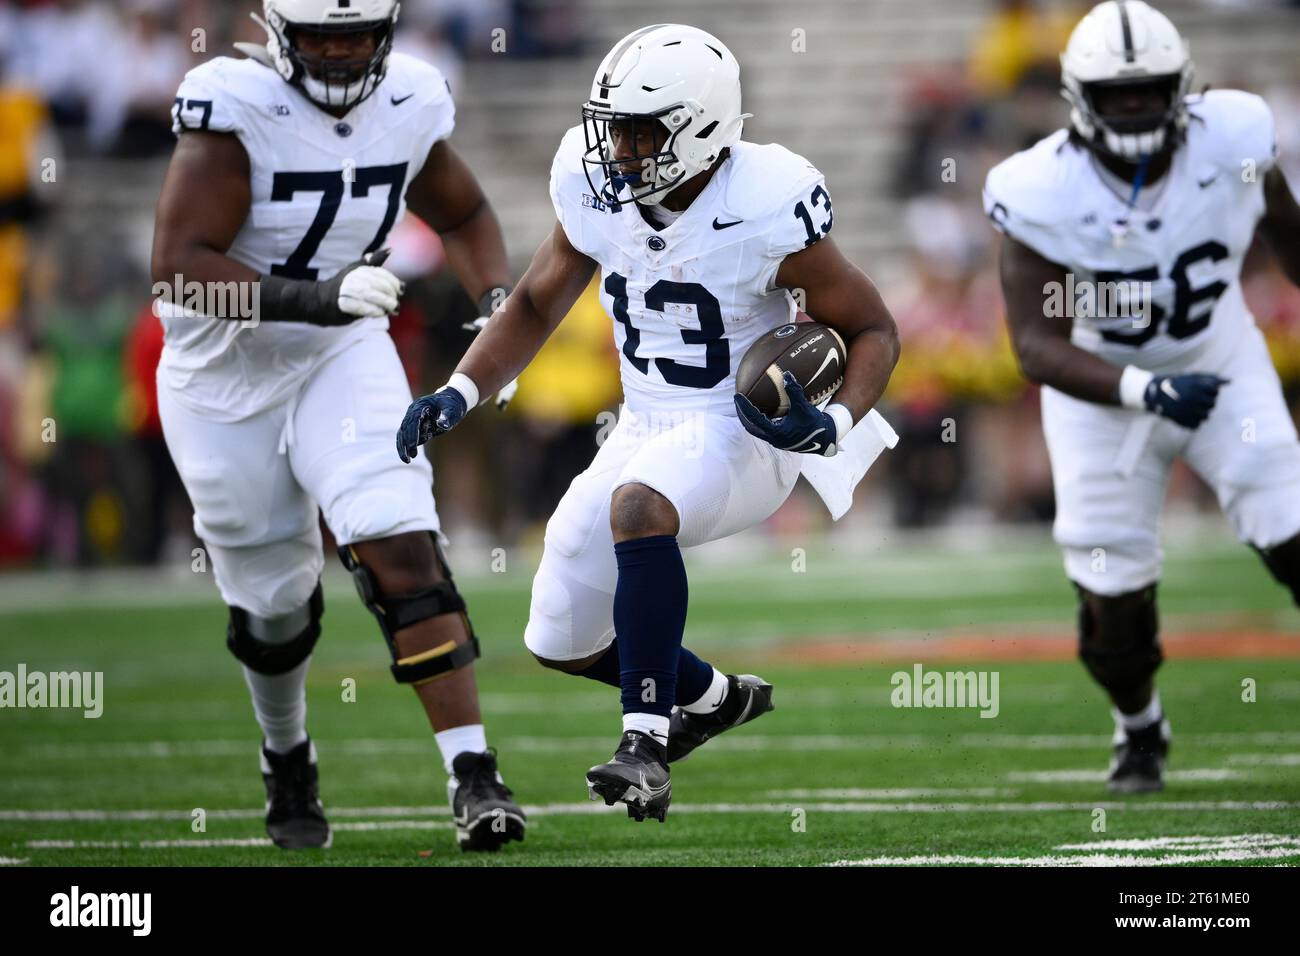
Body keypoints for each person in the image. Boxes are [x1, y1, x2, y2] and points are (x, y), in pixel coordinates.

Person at [398, 24, 900, 822]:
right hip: (645, 424)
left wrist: (834, 421)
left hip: (745, 431)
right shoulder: (596, 187)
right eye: (614, 127)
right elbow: (533, 301)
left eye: (641, 131)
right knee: (559, 635)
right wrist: (459, 390)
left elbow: (874, 328)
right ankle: (711, 697)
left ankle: (645, 746)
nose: (619, 149)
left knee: (638, 507)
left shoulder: (763, 203)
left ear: (701, 129)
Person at [150, 0, 524, 850]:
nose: (346, 52)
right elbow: (175, 271)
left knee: (400, 537)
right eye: (324, 36)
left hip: (338, 352)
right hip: (221, 375)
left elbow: (464, 214)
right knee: (273, 602)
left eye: (360, 34)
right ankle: (287, 753)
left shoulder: (409, 101)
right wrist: (317, 296)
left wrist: (497, 304)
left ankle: (474, 773)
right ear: (280, 33)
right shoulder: (234, 105)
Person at [985, 0, 1300, 792]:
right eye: (1115, 94)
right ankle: (1140, 727)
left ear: (1182, 88)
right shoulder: (1039, 187)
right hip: (1102, 389)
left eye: (1148, 90)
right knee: (1113, 606)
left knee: (1292, 523)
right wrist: (1144, 388)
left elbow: (1290, 239)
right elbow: (1033, 344)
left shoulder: (1233, 136)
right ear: (1078, 97)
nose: (1132, 107)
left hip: (1216, 354)